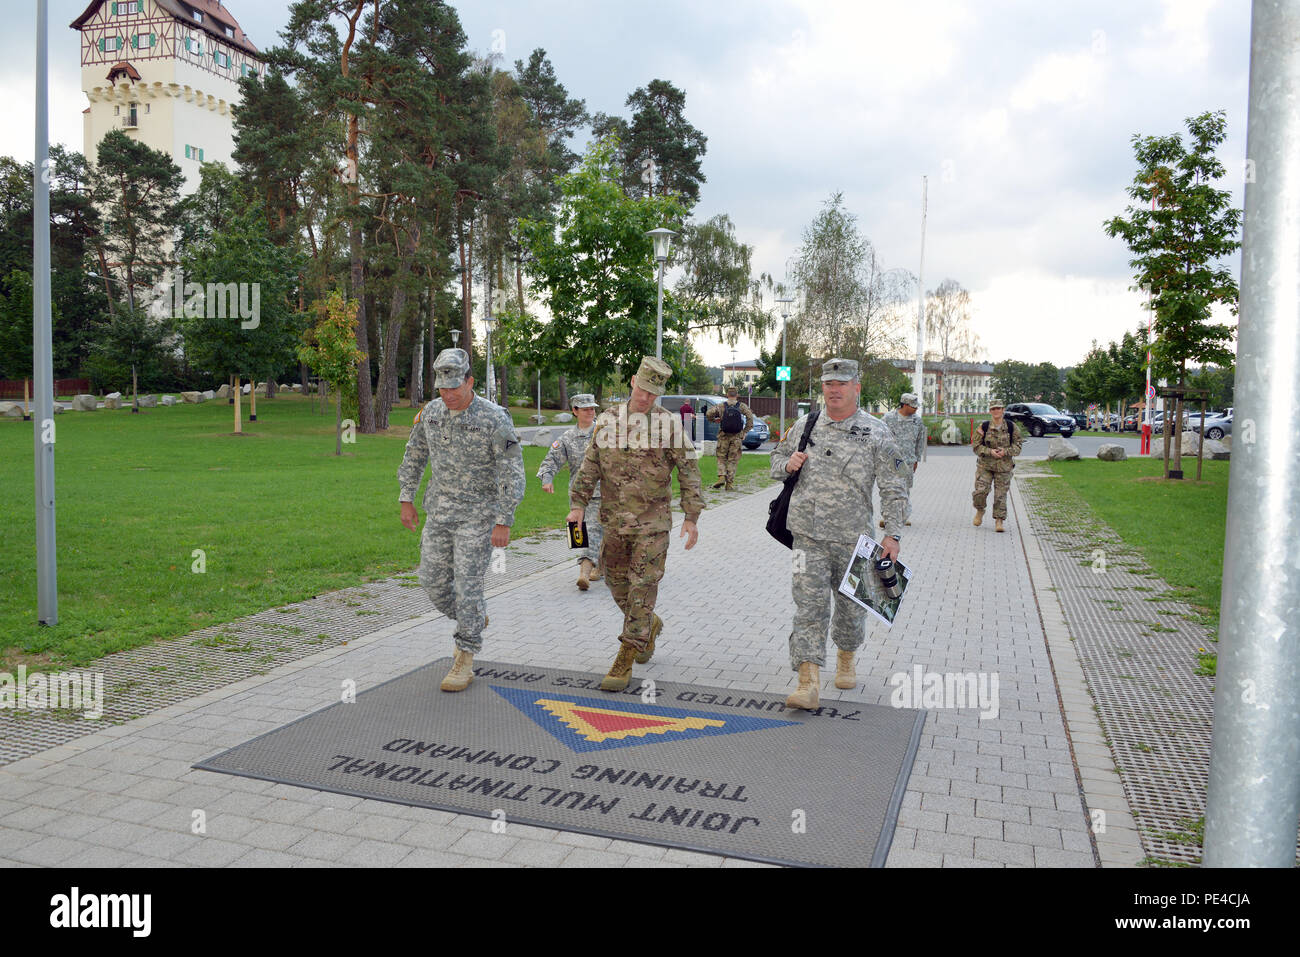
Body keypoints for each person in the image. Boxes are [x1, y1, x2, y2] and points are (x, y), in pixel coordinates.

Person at [770, 358, 909, 710]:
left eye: (842, 383)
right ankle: (808, 681)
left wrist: (892, 536)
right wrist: (788, 464)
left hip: (855, 540)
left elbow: (895, 488)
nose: (834, 390)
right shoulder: (806, 424)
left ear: (856, 388)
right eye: (829, 384)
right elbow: (775, 460)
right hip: (807, 536)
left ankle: (846, 655)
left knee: (850, 611)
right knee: (809, 608)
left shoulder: (877, 432)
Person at [567, 356, 705, 692]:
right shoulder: (607, 420)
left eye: (653, 394)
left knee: (642, 587)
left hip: (653, 524)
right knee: (617, 584)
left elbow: (688, 470)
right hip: (614, 522)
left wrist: (691, 516)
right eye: (643, 390)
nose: (646, 398)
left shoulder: (669, 425)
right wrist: (577, 506)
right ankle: (648, 624)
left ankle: (625, 656)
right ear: (632, 382)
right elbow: (590, 466)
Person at [398, 348, 526, 692]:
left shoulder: (495, 418)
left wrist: (504, 519)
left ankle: (465, 655)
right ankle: (473, 618)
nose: (449, 395)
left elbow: (511, 470)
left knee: (467, 587)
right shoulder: (431, 413)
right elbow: (414, 455)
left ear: (470, 382)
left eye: (455, 388)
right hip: (439, 512)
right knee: (432, 583)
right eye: (442, 389)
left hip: (478, 517)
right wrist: (406, 497)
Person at [537, 393, 603, 591]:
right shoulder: (567, 438)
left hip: (602, 493)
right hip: (576, 495)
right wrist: (547, 479)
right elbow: (551, 460)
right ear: (574, 411)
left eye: (592, 408)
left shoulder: (604, 433)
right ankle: (594, 564)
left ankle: (585, 571)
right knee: (578, 535)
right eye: (585, 409)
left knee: (594, 530)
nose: (590, 412)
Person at [972, 398, 1022, 533]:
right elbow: (976, 446)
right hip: (985, 466)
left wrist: (1006, 451)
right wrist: (990, 452)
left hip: (1004, 467)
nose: (996, 411)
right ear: (990, 411)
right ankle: (980, 510)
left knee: (1000, 495)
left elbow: (1018, 446)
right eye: (993, 409)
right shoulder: (984, 427)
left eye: (998, 408)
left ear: (1003, 410)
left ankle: (999, 521)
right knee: (980, 492)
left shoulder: (1011, 427)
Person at [881, 392, 926, 527]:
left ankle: (902, 516)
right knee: (889, 489)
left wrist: (917, 459)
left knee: (905, 490)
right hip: (890, 461)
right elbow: (880, 438)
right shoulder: (888, 418)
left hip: (908, 461)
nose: (916, 409)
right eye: (913, 406)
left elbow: (920, 440)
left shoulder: (917, 421)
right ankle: (887, 517)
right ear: (905, 405)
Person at [706, 386, 755, 490]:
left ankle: (721, 476)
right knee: (732, 460)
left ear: (727, 395)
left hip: (723, 436)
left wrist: (714, 420)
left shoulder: (721, 406)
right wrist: (744, 431)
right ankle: (729, 484)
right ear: (737, 395)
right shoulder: (742, 406)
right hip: (737, 437)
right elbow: (750, 418)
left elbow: (709, 413)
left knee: (721, 457)